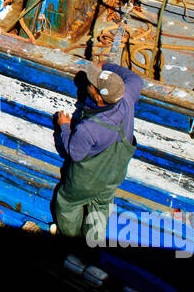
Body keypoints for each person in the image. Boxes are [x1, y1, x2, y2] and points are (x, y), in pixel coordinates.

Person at [50, 63, 143, 241]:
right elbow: (135, 79)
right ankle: (93, 246)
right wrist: (106, 67)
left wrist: (64, 126)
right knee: (101, 205)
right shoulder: (127, 98)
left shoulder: (89, 128)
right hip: (114, 175)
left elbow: (74, 153)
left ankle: (71, 245)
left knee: (68, 203)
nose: (89, 85)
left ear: (98, 97)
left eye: (92, 85)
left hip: (86, 180)